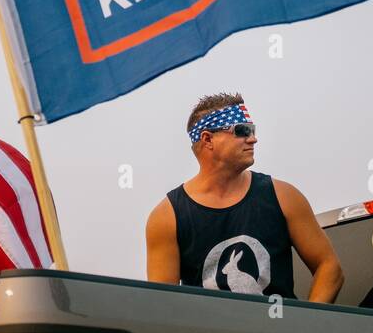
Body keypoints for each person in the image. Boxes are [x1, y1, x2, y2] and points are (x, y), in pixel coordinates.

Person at [145, 92, 344, 303]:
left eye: (252, 130)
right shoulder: (167, 217)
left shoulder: (283, 196)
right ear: (208, 139)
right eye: (242, 131)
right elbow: (162, 303)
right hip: (210, 326)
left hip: (277, 324)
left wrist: (305, 321)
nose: (253, 138)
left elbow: (329, 266)